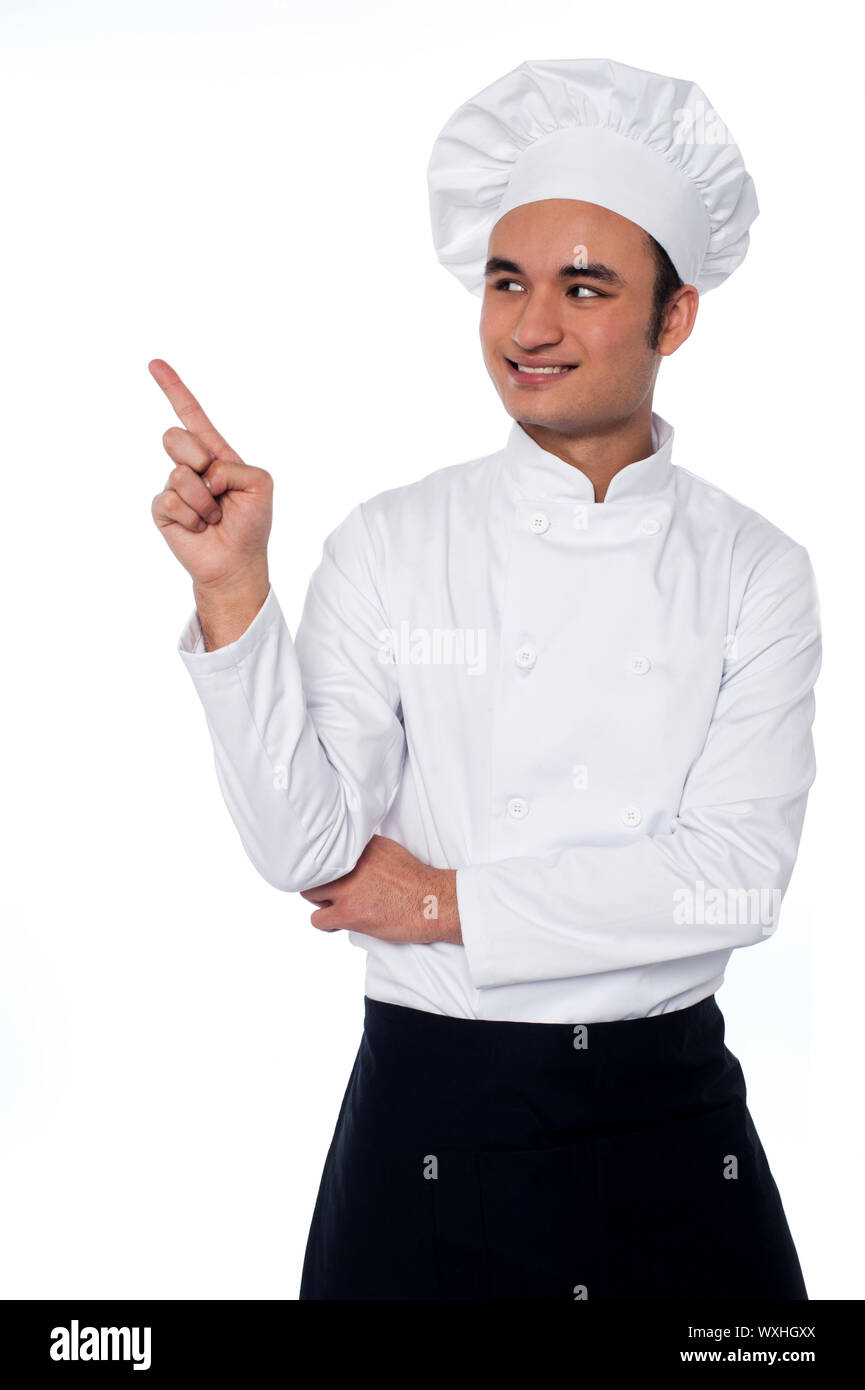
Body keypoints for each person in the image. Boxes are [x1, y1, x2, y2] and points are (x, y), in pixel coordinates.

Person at [149, 57, 820, 1301]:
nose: (529, 327)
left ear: (674, 318)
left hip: (669, 1126)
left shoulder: (755, 570)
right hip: (429, 1124)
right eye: (507, 282)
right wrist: (233, 588)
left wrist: (441, 903)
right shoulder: (391, 542)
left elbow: (731, 881)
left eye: (584, 287)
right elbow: (309, 844)